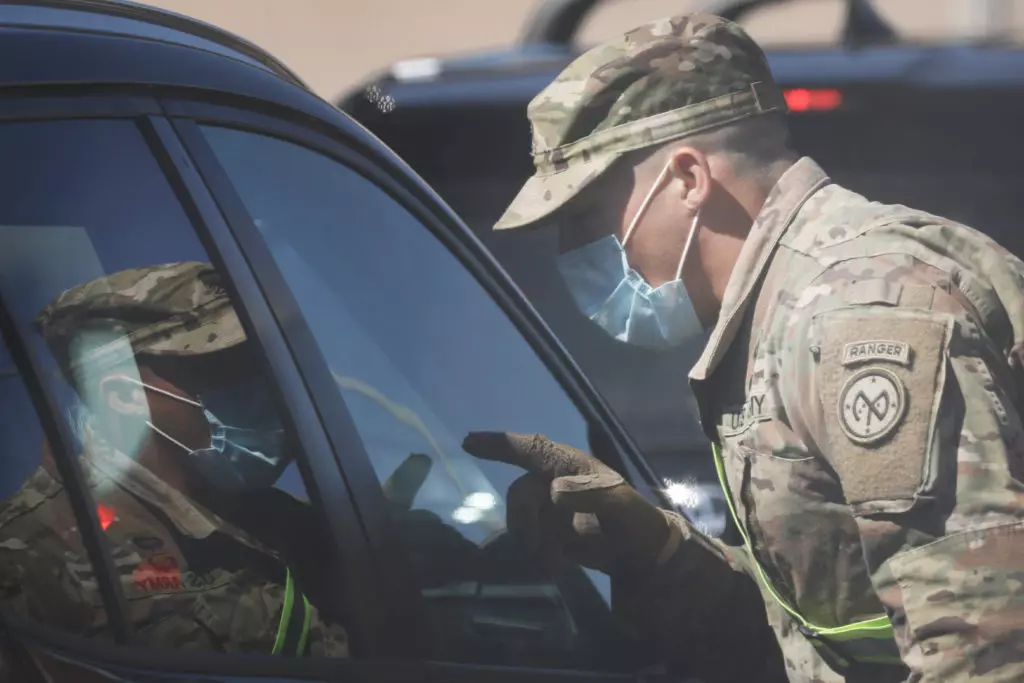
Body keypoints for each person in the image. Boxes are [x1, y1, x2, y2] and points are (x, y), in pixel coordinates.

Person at [462, 13, 1024, 683]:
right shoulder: (781, 311)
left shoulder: (860, 311)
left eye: (587, 215)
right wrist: (659, 550)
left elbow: (984, 642)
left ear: (688, 179)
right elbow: (824, 627)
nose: (573, 251)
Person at [0, 261, 348, 656]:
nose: (263, 392)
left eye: (262, 369)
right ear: (123, 395)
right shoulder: (27, 563)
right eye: (225, 369)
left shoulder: (271, 516)